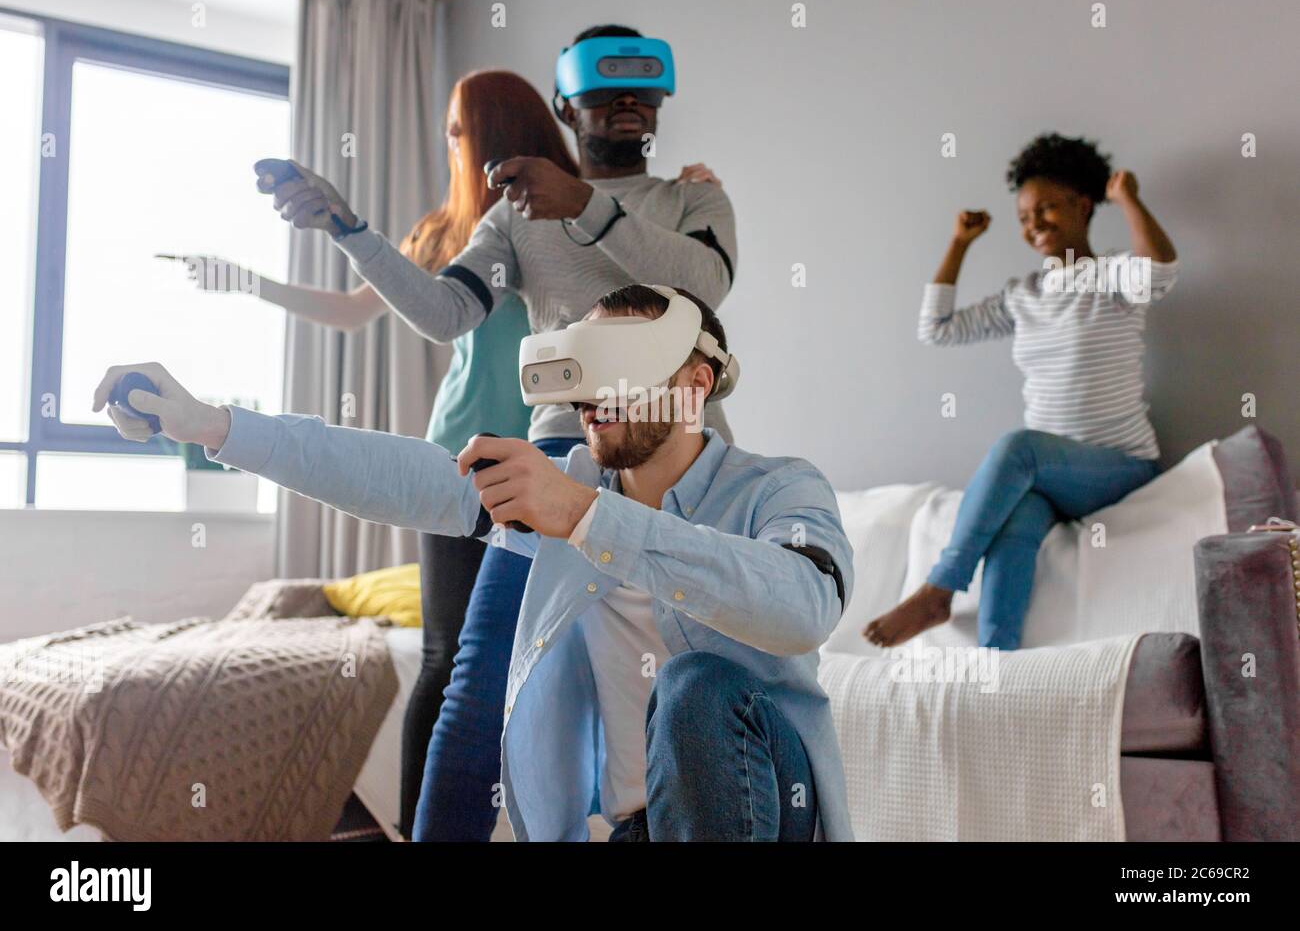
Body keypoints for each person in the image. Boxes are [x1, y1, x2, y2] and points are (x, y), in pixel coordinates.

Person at [93, 284, 853, 841]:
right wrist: (208, 424)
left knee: (696, 686)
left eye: (617, 364)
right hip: (636, 826)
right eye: (579, 367)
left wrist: (590, 518)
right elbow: (387, 470)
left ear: (694, 385)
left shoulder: (779, 487)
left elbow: (804, 605)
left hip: (771, 808)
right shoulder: (560, 486)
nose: (590, 395)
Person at [170, 69, 719, 839]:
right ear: (567, 106)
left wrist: (588, 207)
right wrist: (348, 228)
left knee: (662, 676)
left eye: (642, 83)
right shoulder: (509, 216)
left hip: (664, 452)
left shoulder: (688, 198)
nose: (624, 100)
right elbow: (442, 310)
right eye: (602, 87)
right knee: (475, 670)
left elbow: (706, 285)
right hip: (541, 449)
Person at [865, 133, 1179, 652]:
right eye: (1024, 217)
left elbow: (1162, 270)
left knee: (1019, 447)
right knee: (1016, 524)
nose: (1033, 225)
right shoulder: (1024, 295)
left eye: (1046, 210)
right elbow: (937, 327)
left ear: (1082, 206)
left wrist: (1127, 199)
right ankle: (997, 663)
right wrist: (959, 244)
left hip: (1119, 464)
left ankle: (939, 589)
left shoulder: (1113, 278)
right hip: (1050, 478)